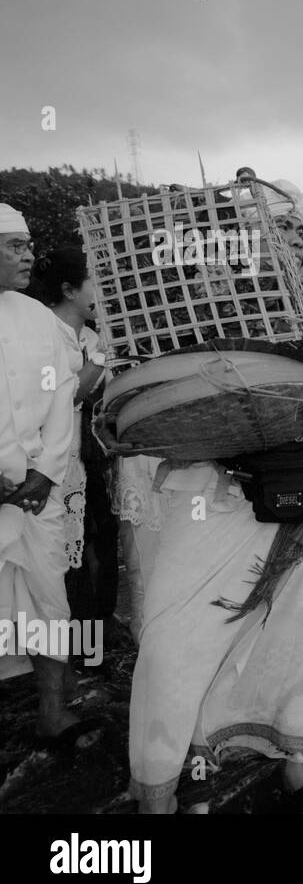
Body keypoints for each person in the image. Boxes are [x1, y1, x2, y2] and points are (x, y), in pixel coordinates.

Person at [124, 181, 303, 813]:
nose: (281, 242)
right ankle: (166, 787)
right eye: (264, 229)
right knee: (176, 638)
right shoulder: (186, 310)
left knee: (296, 628)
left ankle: (295, 761)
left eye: (291, 231)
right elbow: (146, 398)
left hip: (297, 491)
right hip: (207, 493)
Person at [0, 203, 88, 746]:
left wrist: (46, 473)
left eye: (29, 245)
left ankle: (52, 710)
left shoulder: (37, 317)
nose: (29, 254)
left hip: (36, 491)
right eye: (15, 245)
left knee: (49, 596)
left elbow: (63, 398)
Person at [28, 249, 111, 644]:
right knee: (59, 560)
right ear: (69, 290)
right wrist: (100, 357)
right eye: (94, 281)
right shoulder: (44, 332)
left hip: (89, 457)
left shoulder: (92, 336)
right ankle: (62, 658)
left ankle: (91, 647)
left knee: (93, 552)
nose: (102, 291)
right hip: (50, 463)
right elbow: (64, 396)